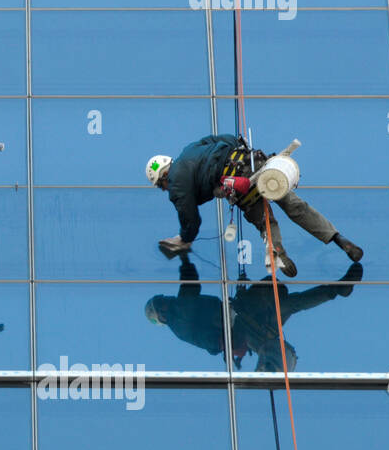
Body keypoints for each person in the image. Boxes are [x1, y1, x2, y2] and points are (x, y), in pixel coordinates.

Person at [146, 134, 363, 277]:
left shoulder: (176, 184)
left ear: (163, 177)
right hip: (251, 163)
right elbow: (226, 138)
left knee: (265, 222)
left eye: (161, 185)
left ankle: (277, 249)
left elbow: (190, 218)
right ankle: (338, 238)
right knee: (294, 205)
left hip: (235, 185)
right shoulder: (190, 149)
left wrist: (185, 239)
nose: (165, 189)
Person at [145, 258, 362, 371]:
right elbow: (202, 337)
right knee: (288, 305)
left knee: (288, 305)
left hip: (243, 320)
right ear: (161, 314)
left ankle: (339, 288)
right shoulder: (179, 320)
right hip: (242, 324)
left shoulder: (179, 312)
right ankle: (338, 289)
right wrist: (224, 343)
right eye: (160, 302)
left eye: (161, 299)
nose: (165, 300)